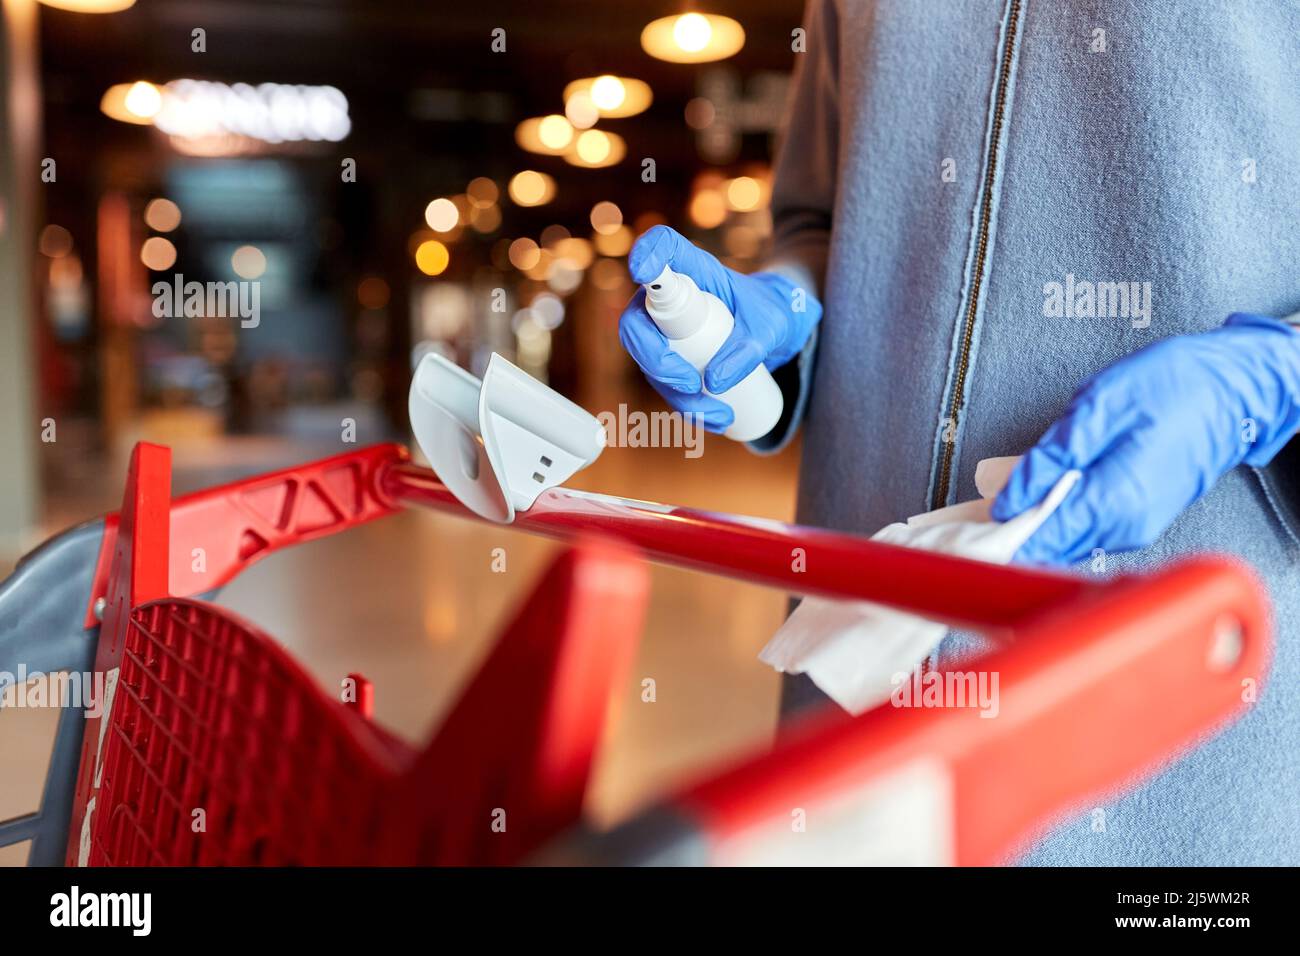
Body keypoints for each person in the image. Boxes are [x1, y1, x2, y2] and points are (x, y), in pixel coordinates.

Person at [618, 0, 1300, 865]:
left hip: (1189, 704)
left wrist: (1273, 381)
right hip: (859, 671)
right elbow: (818, 218)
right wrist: (777, 316)